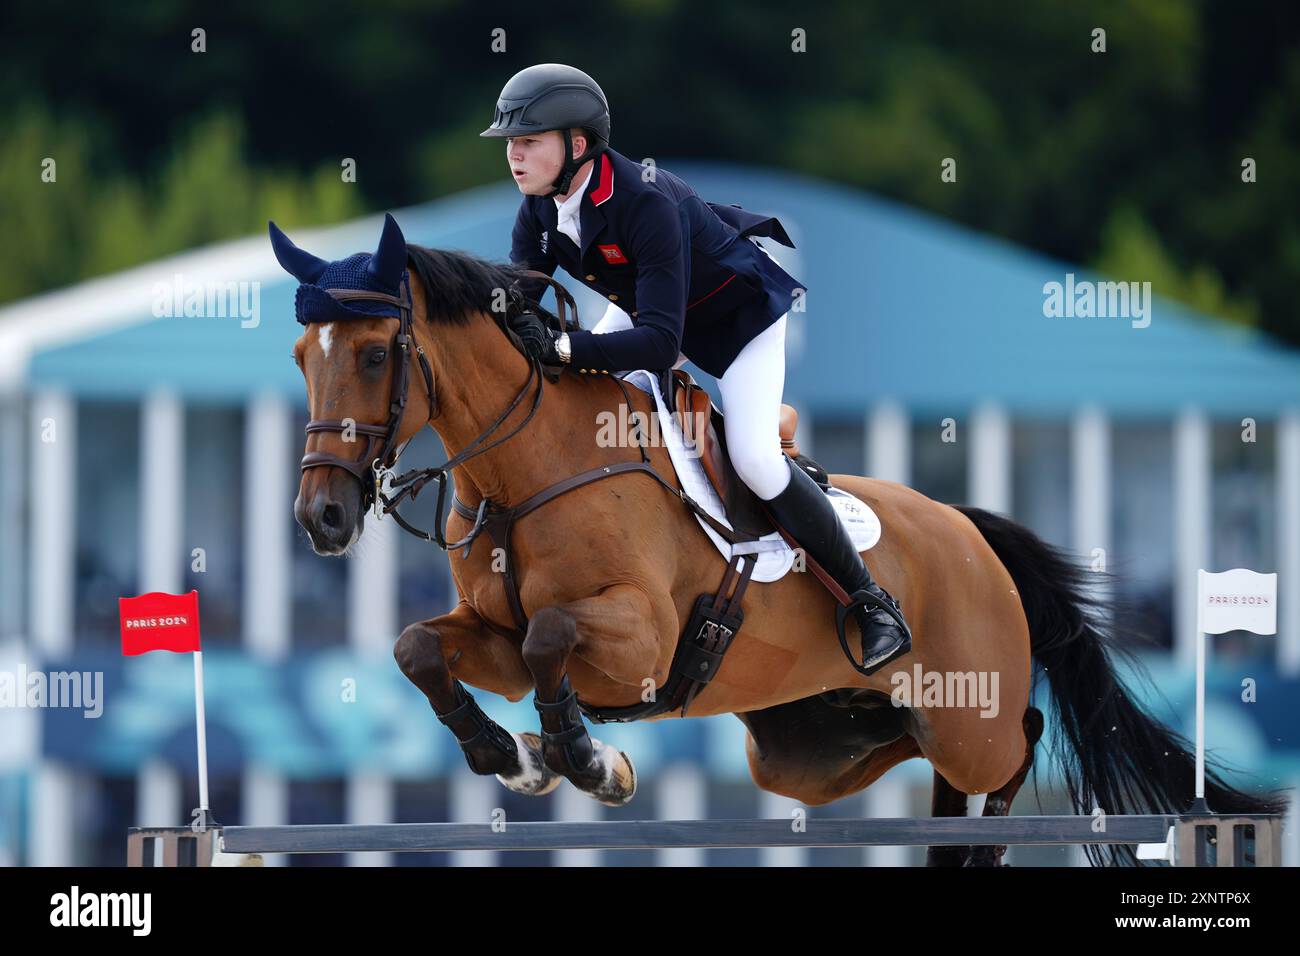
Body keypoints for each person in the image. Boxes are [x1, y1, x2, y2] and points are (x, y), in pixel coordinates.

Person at [481, 63, 909, 674]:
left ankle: (872, 601)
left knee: (756, 458)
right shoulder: (540, 209)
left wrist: (568, 350)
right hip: (651, 313)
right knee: (591, 415)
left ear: (577, 145)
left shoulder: (644, 203)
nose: (514, 157)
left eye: (528, 142)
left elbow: (658, 346)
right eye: (511, 145)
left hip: (737, 322)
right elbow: (519, 299)